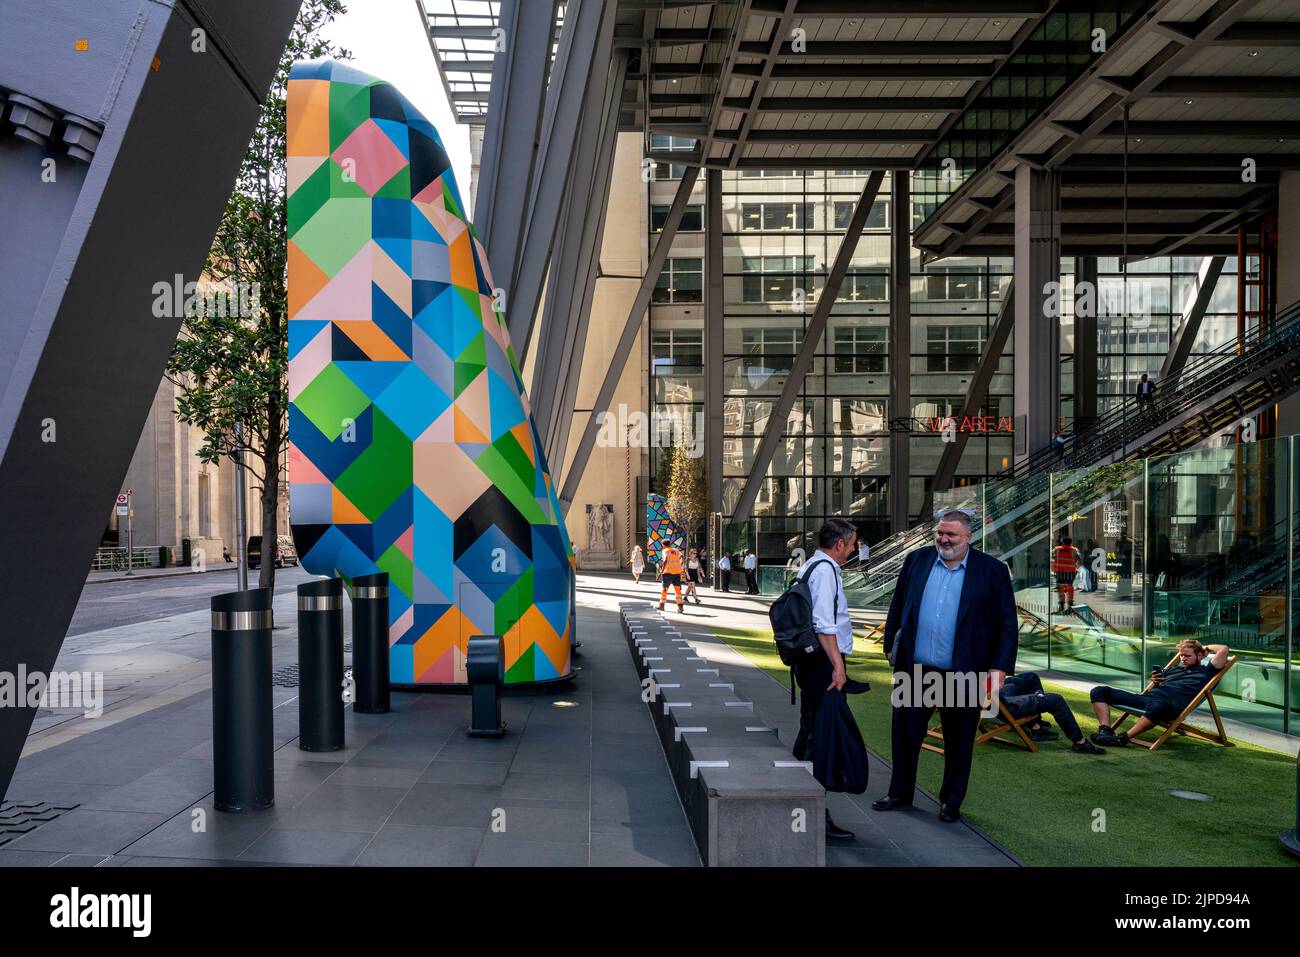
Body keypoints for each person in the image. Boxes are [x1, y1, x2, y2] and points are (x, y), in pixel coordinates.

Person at [874, 509, 1017, 824]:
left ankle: (951, 802)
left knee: (958, 741)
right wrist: (889, 648)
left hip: (965, 673)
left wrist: (999, 668)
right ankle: (899, 794)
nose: (944, 539)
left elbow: (1007, 623)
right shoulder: (917, 560)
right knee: (905, 736)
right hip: (916, 670)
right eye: (940, 533)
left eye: (951, 534)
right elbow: (898, 606)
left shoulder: (992, 571)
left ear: (968, 537)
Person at [790, 519, 862, 842]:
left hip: (813, 663)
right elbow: (823, 624)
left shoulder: (812, 566)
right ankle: (811, 811)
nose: (854, 549)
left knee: (812, 731)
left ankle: (801, 802)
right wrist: (838, 666)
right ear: (839, 545)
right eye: (853, 544)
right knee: (821, 737)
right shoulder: (825, 571)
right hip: (822, 664)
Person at [1090, 639, 1230, 746]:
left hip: (1170, 706)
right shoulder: (1172, 670)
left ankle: (1121, 739)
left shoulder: (1207, 672)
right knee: (1099, 691)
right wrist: (1156, 682)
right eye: (1181, 655)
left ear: (1200, 656)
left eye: (1187, 655)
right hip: (1148, 699)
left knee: (1158, 706)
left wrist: (1206, 648)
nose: (1182, 659)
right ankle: (1105, 730)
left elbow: (1223, 649)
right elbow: (1159, 685)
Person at [1000, 673, 1105, 755]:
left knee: (1031, 677)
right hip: (1001, 704)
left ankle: (1034, 724)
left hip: (994, 694)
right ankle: (1080, 743)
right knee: (1056, 700)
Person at [1051, 535, 1082, 614]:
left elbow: (1052, 557)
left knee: (1061, 588)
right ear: (1071, 542)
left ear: (1062, 542)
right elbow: (1078, 558)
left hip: (1060, 572)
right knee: (1069, 588)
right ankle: (1070, 606)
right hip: (1071, 572)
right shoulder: (1074, 550)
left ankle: (1061, 606)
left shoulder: (1057, 549)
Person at [657, 544, 685, 614]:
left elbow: (665, 560)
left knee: (665, 590)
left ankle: (662, 606)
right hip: (677, 573)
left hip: (668, 573)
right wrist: (680, 566)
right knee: (678, 590)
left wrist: (662, 570)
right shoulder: (676, 550)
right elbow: (682, 557)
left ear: (663, 545)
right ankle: (680, 607)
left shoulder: (665, 550)